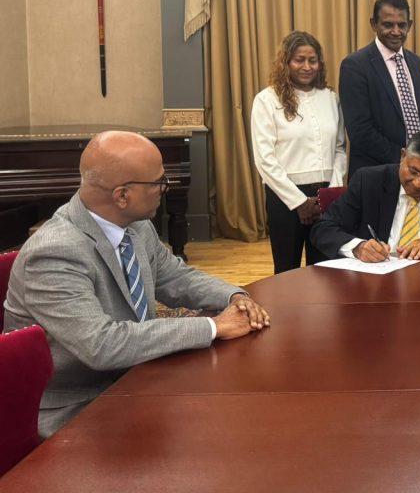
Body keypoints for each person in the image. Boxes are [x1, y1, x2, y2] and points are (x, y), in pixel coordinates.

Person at [2, 131, 271, 437]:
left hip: (136, 375)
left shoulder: (136, 226)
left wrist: (234, 295)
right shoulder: (54, 252)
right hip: (77, 405)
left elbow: (175, 276)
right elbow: (102, 345)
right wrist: (213, 327)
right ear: (122, 196)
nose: (164, 188)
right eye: (158, 182)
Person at [251, 30, 346, 273]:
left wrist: (329, 195)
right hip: (285, 199)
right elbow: (265, 160)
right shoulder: (266, 99)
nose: (306, 66)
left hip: (325, 197)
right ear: (286, 63)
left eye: (312, 60)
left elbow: (339, 149)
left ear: (320, 63)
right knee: (287, 271)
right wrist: (299, 203)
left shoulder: (330, 97)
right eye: (299, 60)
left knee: (326, 272)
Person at [311, 129, 420, 261]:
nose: (418, 183)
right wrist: (358, 247)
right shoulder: (368, 181)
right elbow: (323, 229)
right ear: (402, 156)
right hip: (370, 282)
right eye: (413, 171)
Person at [339, 0, 420, 177]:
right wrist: (408, 161)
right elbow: (360, 131)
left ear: (409, 25)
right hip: (377, 175)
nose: (396, 31)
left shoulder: (418, 64)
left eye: (402, 25)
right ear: (374, 24)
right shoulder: (355, 65)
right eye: (388, 24)